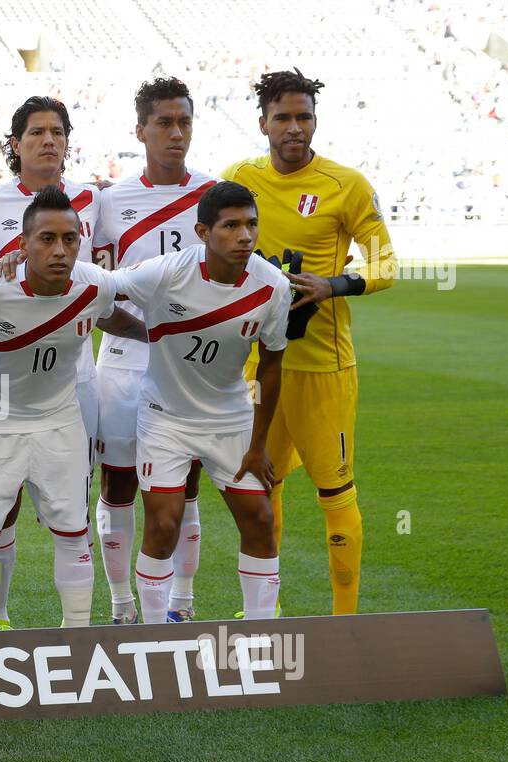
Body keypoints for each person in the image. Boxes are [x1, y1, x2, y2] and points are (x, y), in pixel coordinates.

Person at [221, 69, 398, 615]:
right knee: (260, 483)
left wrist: (332, 285)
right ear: (263, 124)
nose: (294, 128)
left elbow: (387, 263)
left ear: (314, 121)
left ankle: (345, 619)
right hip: (259, 366)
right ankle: (264, 609)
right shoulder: (238, 178)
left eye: (304, 118)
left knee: (335, 494)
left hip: (324, 367)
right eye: (283, 118)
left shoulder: (346, 185)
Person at [0, 186, 145, 631]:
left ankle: (74, 639)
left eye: (70, 238)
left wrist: (157, 335)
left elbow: (113, 312)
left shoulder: (94, 285)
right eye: (46, 239)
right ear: (21, 245)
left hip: (60, 423)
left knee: (74, 536)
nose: (60, 250)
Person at [0, 95, 102, 631]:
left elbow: (110, 283)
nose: (48, 139)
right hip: (1, 388)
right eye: (36, 131)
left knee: (72, 512)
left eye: (57, 131)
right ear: (14, 143)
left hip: (74, 374)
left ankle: (82, 631)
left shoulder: (95, 199)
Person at [117, 182, 291, 623]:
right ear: (202, 232)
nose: (245, 236)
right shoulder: (165, 272)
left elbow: (272, 365)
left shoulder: (272, 287)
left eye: (251, 224)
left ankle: (260, 634)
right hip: (165, 419)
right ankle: (153, 637)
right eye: (231, 226)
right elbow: (102, 290)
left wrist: (258, 443)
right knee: (162, 524)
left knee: (259, 518)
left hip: (230, 420)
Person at [92, 77, 217, 625]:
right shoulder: (109, 202)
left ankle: (181, 603)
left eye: (184, 121)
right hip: (123, 361)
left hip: (189, 367)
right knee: (119, 482)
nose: (176, 132)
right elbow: (94, 292)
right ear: (140, 129)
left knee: (185, 485)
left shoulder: (215, 195)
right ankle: (122, 608)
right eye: (164, 122)